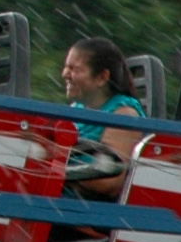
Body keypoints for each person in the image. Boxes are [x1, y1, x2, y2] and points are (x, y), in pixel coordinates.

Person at [59, 37, 145, 201]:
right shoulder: (75, 109)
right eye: (66, 67)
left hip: (83, 218)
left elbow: (109, 183)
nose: (65, 74)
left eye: (74, 69)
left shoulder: (124, 116)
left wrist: (51, 170)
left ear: (102, 77)